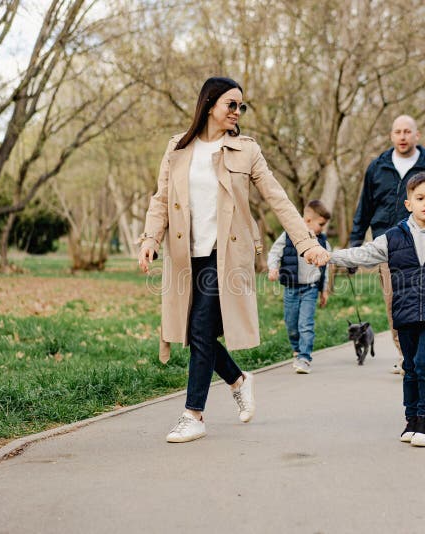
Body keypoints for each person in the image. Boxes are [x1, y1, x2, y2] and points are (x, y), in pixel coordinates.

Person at [138, 77, 330, 443]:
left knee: (199, 329)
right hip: (183, 258)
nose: (237, 112)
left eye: (241, 106)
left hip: (224, 257)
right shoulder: (177, 148)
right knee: (198, 335)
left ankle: (193, 415)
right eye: (231, 104)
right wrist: (150, 238)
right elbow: (160, 199)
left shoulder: (246, 151)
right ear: (210, 103)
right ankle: (238, 379)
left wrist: (305, 244)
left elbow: (278, 199)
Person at [330, 172, 425, 447]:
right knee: (410, 366)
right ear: (409, 204)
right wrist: (331, 256)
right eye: (420, 198)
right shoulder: (393, 237)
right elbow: (364, 254)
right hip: (405, 312)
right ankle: (411, 419)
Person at [348, 115, 425, 374]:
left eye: (408, 131)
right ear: (391, 135)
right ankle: (406, 356)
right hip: (389, 246)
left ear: (416, 136)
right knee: (395, 302)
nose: (403, 136)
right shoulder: (377, 167)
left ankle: (422, 355)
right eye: (398, 131)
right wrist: (355, 243)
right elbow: (365, 208)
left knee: (423, 300)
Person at [267, 200, 332, 374]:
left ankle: (304, 357)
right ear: (308, 221)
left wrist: (324, 290)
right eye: (321, 224)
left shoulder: (323, 242)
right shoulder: (289, 235)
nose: (323, 229)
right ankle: (296, 348)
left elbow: (327, 268)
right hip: (291, 287)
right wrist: (273, 268)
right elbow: (275, 251)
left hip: (310, 288)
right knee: (291, 323)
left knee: (306, 324)